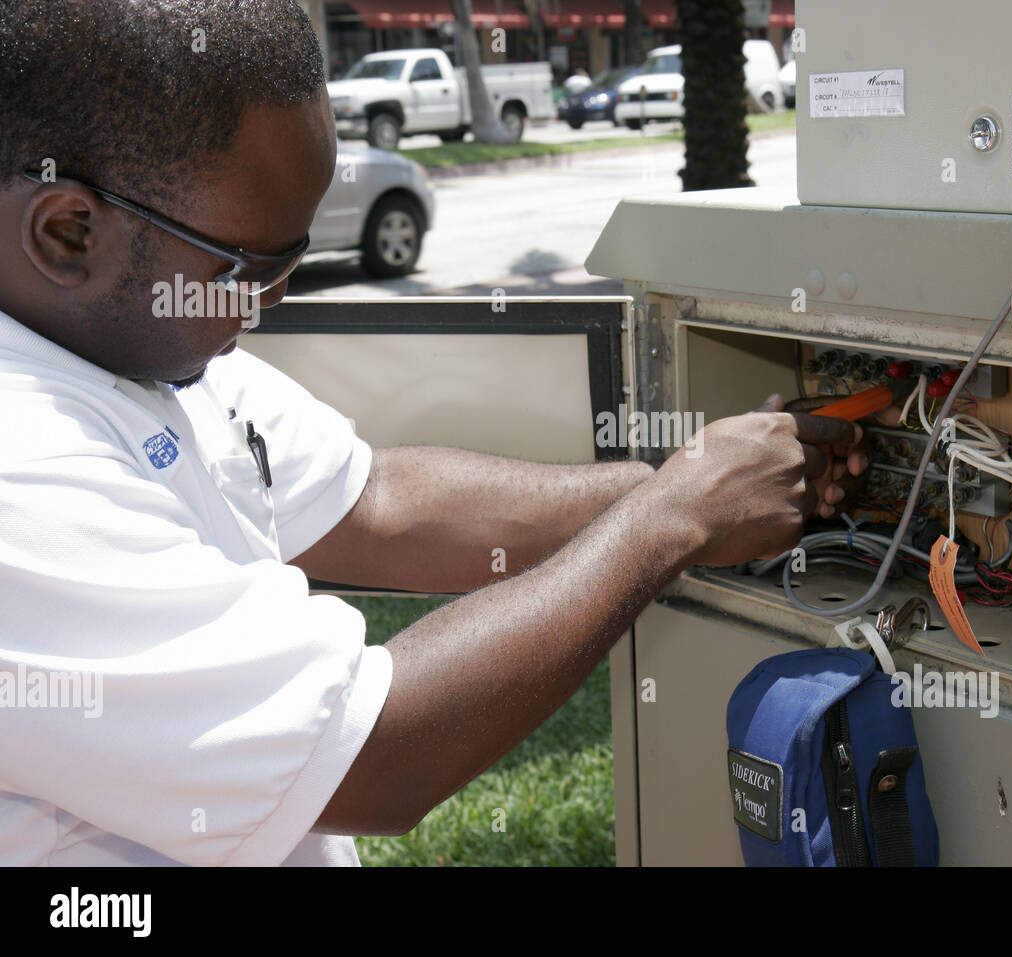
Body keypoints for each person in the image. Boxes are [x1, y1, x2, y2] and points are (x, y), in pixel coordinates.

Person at [0, 0, 873, 866]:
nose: (271, 306)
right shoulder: (23, 469)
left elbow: (378, 502)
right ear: (68, 232)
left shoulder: (140, 346)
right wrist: (674, 519)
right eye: (255, 268)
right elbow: (374, 754)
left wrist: (695, 476)